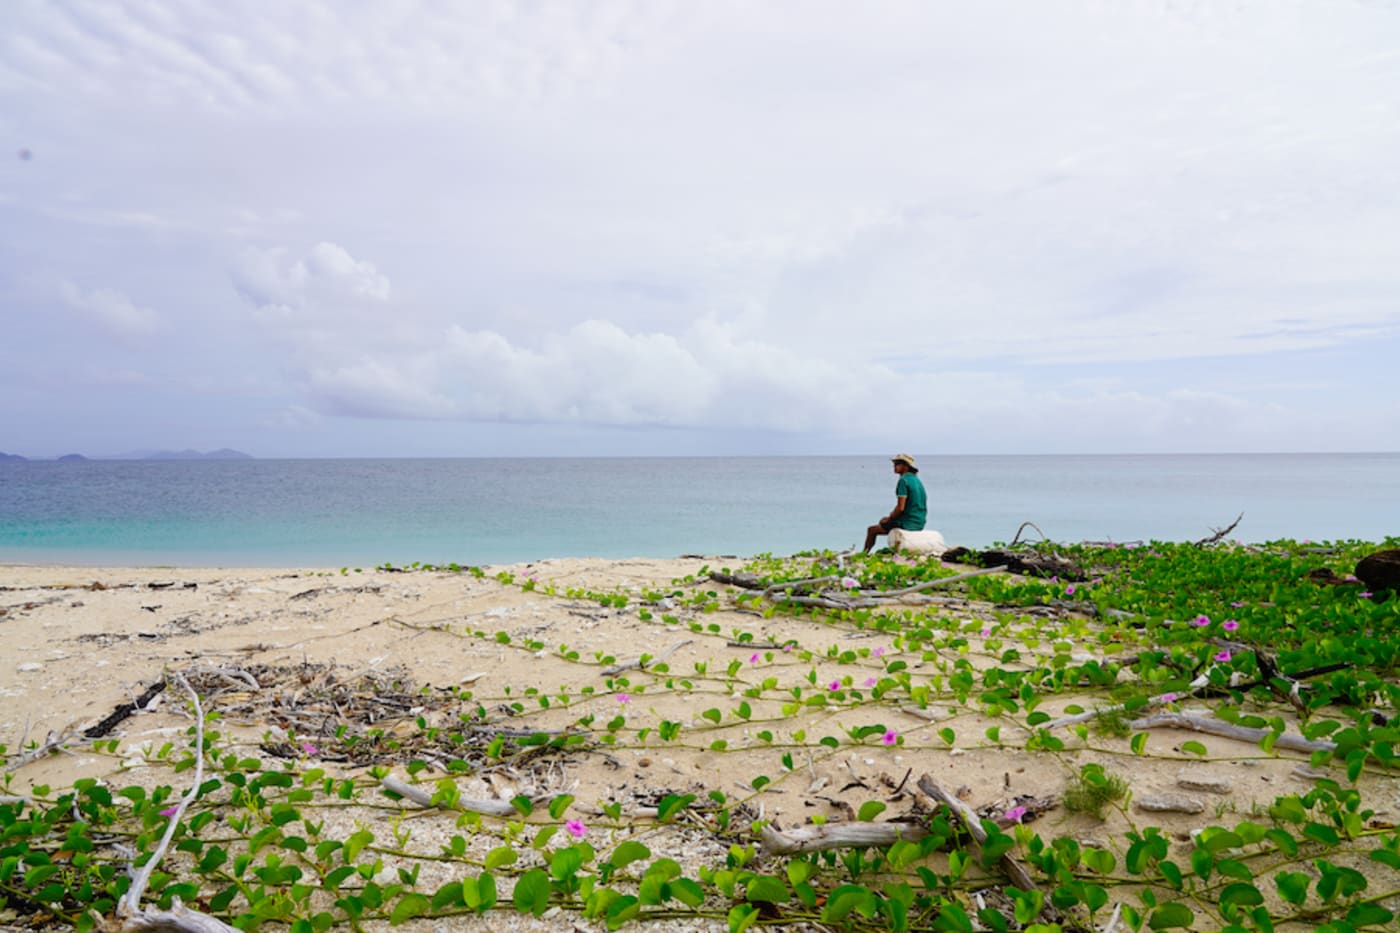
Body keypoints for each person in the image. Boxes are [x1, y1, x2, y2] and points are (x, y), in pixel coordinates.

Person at [863, 453, 927, 553]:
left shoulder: (903, 481)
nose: (894, 466)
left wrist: (889, 518)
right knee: (885, 523)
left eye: (897, 464)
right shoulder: (916, 480)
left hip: (908, 523)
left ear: (906, 466)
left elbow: (900, 508)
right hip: (919, 522)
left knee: (872, 530)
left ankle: (863, 554)